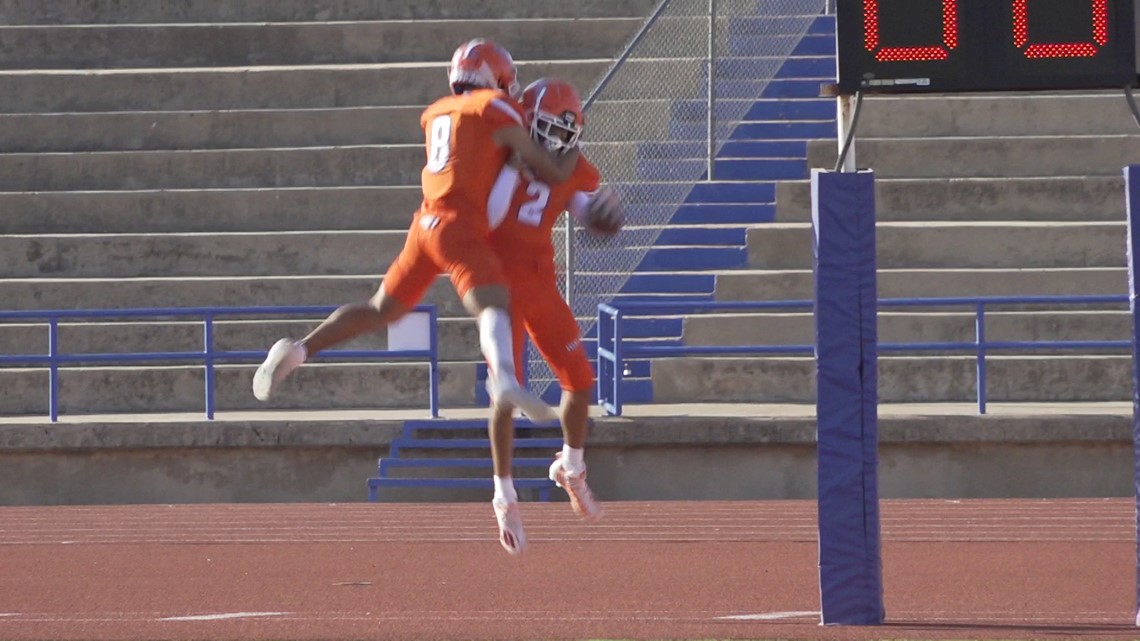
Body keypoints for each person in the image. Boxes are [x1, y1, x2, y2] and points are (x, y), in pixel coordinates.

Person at [250, 40, 581, 555]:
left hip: (422, 222)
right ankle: (508, 378)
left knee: (382, 308)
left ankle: (297, 349)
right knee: (493, 300)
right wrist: (560, 158)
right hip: (457, 224)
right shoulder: (495, 106)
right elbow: (546, 163)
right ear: (495, 78)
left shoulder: (435, 113)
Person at [482, 78, 624, 551]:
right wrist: (513, 168)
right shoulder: (499, 157)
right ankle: (504, 494)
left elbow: (584, 205)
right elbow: (487, 214)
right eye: (548, 130)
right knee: (505, 391)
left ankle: (571, 465)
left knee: (580, 380)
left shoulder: (572, 166)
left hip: (540, 282)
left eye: (565, 134)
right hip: (499, 287)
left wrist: (601, 214)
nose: (557, 143)